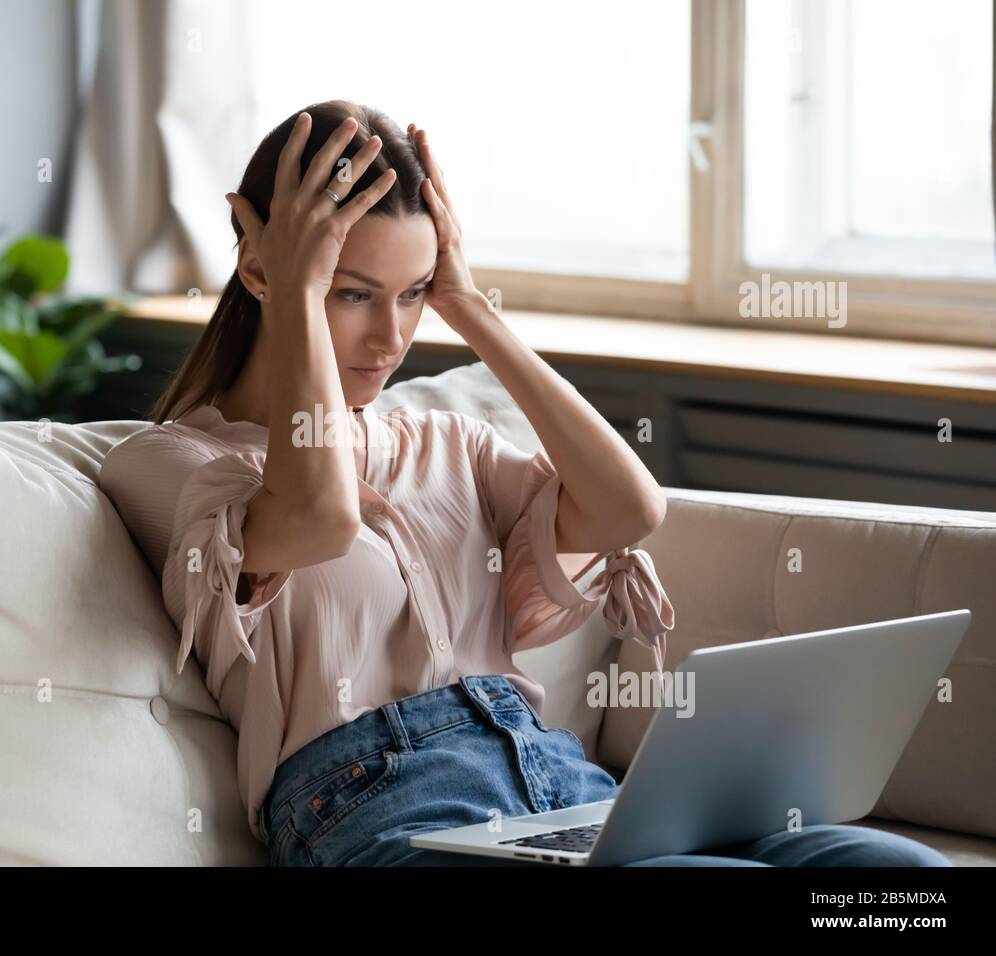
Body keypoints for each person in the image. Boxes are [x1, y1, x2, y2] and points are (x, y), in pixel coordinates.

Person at [98, 99, 950, 868]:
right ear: (259, 272)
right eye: (351, 294)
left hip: (555, 781)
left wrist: (471, 307)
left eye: (415, 294)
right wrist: (300, 292)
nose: (392, 336)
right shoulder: (168, 467)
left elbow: (630, 510)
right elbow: (318, 518)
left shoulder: (448, 444)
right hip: (380, 812)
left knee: (894, 875)